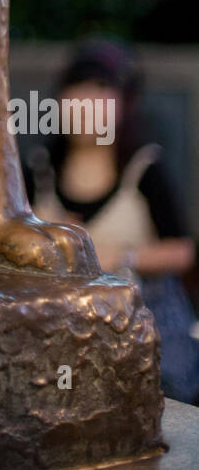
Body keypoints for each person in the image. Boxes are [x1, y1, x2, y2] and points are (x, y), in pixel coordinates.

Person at [24, 39, 199, 405]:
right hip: (56, 326)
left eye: (102, 90)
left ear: (124, 103)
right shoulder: (38, 168)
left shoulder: (145, 167)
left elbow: (182, 251)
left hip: (139, 325)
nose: (87, 103)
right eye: (78, 89)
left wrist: (119, 256)